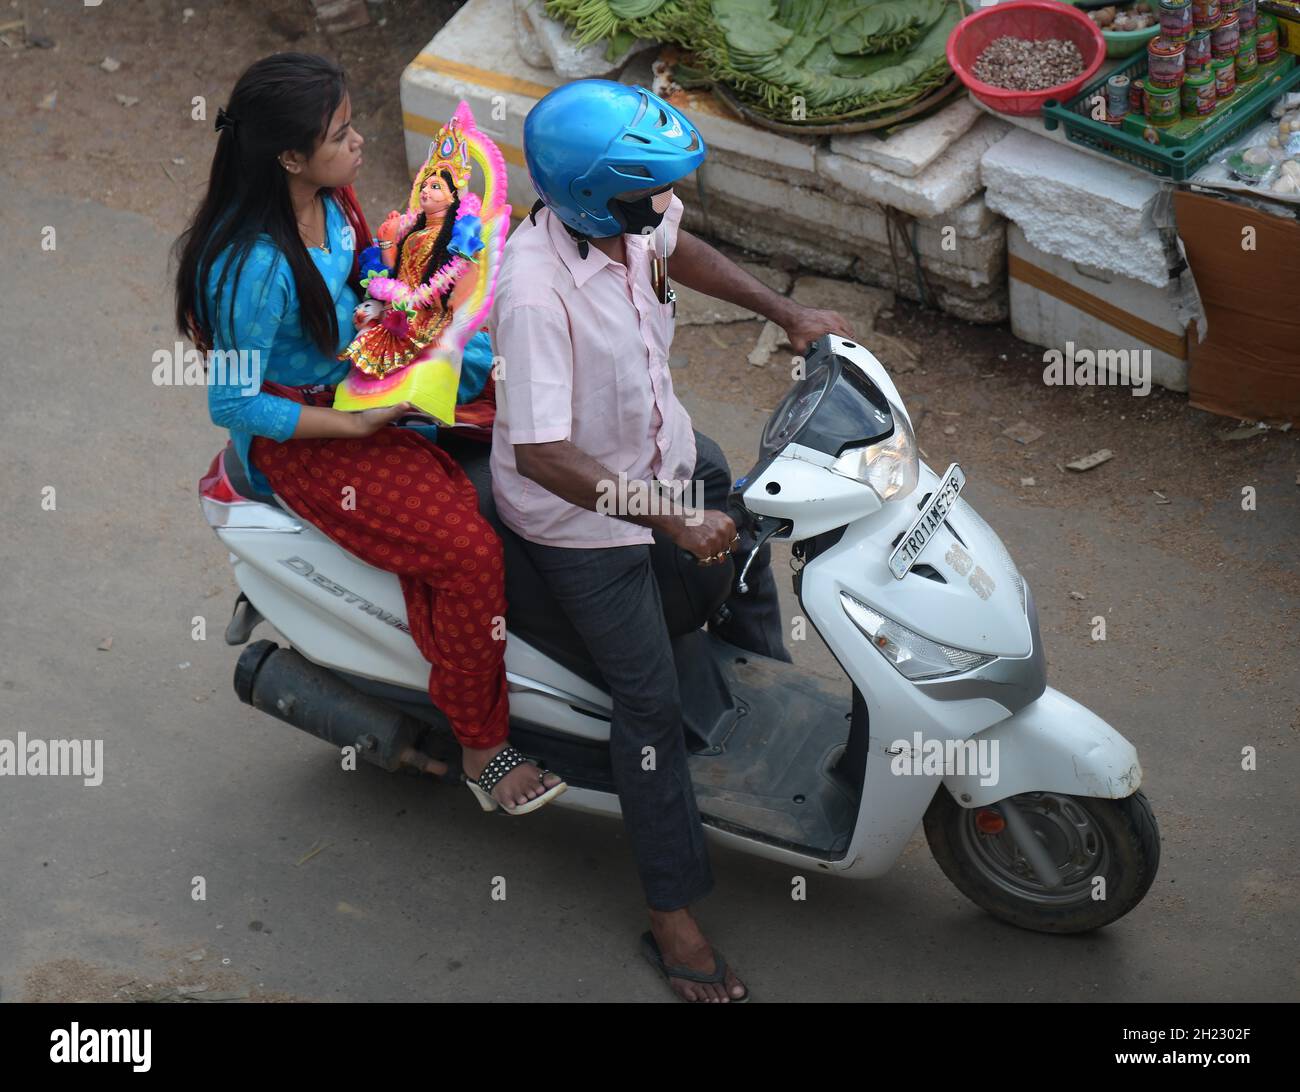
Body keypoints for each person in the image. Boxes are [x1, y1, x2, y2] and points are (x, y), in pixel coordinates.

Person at [490, 79, 854, 1001]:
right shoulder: (535, 293)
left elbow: (675, 245)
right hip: (582, 522)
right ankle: (673, 918)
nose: (661, 209)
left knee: (747, 532)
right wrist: (668, 516)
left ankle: (751, 697)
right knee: (646, 708)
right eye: (645, 195)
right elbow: (540, 453)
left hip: (668, 456)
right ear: (588, 198)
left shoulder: (633, 218)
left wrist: (786, 312)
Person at [172, 52, 564, 814]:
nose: (359, 143)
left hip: (367, 376)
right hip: (310, 440)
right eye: (341, 134)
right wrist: (350, 428)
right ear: (289, 156)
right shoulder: (251, 267)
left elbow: (361, 277)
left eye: (352, 126)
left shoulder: (328, 194)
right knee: (467, 552)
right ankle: (482, 743)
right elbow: (237, 405)